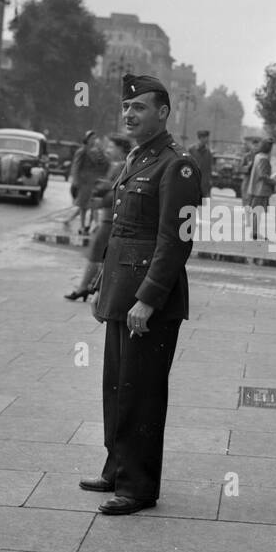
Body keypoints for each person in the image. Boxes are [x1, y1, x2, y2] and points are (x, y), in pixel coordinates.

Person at [78, 73, 202, 516]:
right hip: (120, 294)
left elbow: (176, 241)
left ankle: (139, 486)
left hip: (150, 301)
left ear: (164, 113)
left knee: (141, 393)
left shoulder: (178, 166)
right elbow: (119, 232)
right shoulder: (137, 158)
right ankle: (117, 467)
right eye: (126, 108)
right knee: (115, 387)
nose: (129, 114)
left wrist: (147, 298)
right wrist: (101, 288)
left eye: (140, 108)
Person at [65, 134, 129, 301]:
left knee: (96, 253)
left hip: (111, 218)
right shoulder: (118, 165)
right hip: (108, 216)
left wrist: (101, 200)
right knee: (102, 255)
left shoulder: (123, 166)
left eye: (111, 147)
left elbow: (117, 192)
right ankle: (92, 286)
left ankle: (84, 287)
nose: (108, 150)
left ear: (120, 149)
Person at [65, 131, 108, 234]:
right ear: (87, 139)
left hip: (93, 182)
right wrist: (75, 181)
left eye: (95, 138)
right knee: (83, 206)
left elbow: (102, 163)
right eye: (92, 138)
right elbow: (76, 166)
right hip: (83, 183)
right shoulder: (81, 151)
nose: (94, 140)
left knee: (91, 205)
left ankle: (87, 225)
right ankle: (83, 226)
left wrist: (101, 150)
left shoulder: (94, 151)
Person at [247, 139, 274, 240]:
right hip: (261, 189)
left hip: (256, 188)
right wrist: (274, 181)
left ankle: (255, 232)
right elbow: (263, 175)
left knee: (256, 211)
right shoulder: (264, 158)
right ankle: (254, 232)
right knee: (258, 211)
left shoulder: (258, 156)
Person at [189, 129, 214, 202]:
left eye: (207, 137)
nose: (207, 139)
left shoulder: (208, 152)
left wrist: (209, 181)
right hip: (191, 179)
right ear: (200, 138)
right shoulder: (191, 149)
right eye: (206, 137)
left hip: (203, 182)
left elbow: (209, 168)